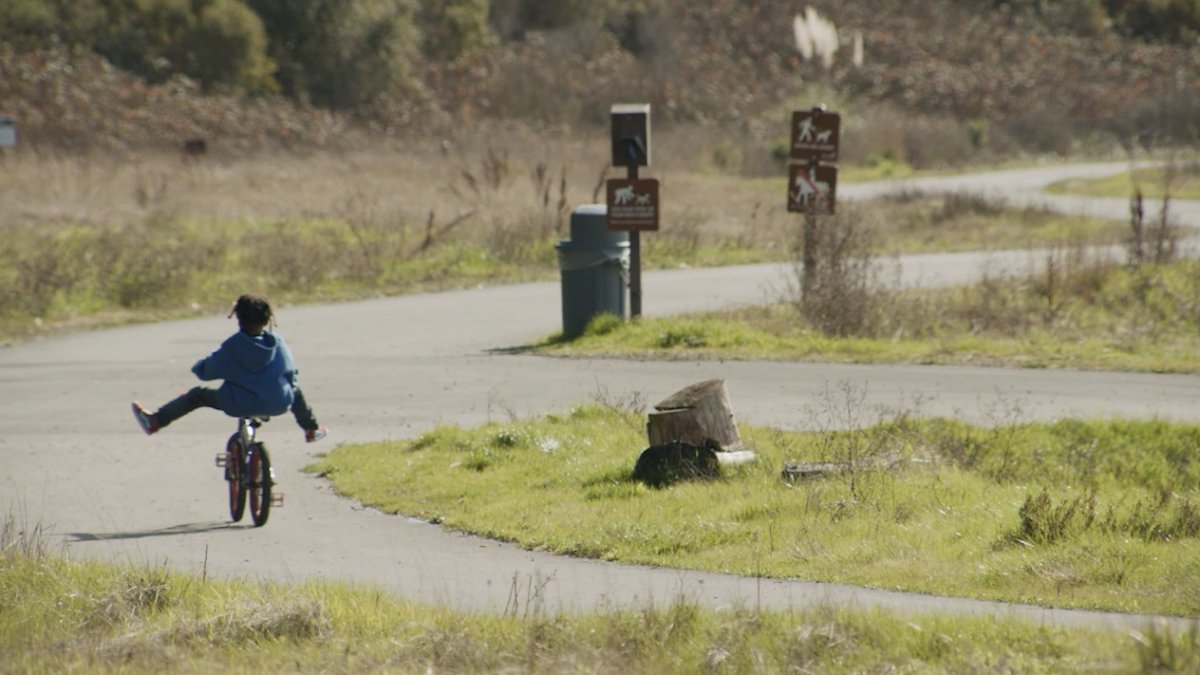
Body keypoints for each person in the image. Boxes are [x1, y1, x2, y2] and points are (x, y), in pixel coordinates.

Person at [132, 293, 327, 442]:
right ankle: (311, 429)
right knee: (293, 387)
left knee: (198, 395)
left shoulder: (232, 346)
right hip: (278, 403)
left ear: (238, 318)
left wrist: (201, 366)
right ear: (268, 319)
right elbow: (291, 374)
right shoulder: (278, 342)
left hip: (237, 403)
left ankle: (156, 421)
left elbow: (204, 373)